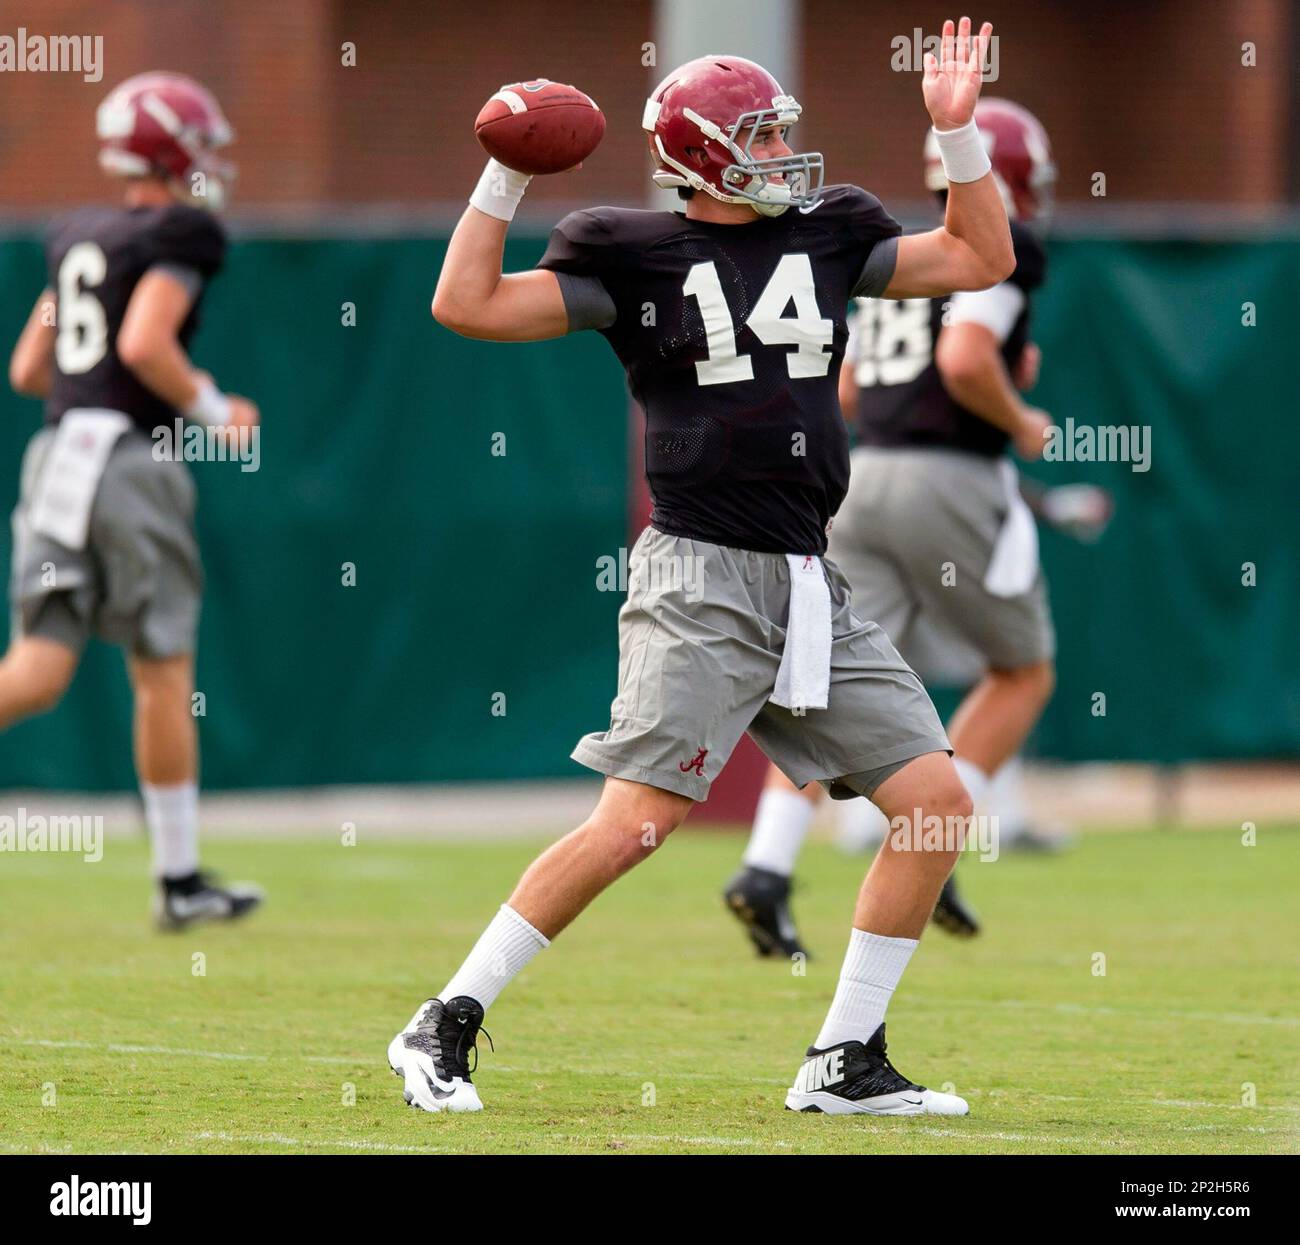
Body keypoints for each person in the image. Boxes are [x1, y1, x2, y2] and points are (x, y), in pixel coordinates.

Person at [392, 20, 1012, 1116]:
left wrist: (957, 138)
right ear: (701, 156)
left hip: (807, 576)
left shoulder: (829, 236)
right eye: (760, 137)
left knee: (931, 805)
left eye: (779, 133)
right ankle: (443, 1020)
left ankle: (844, 1060)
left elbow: (977, 257)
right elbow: (467, 305)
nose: (781, 152)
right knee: (635, 822)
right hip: (700, 575)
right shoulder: (627, 252)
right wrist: (501, 172)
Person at [726, 98, 1061, 957]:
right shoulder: (1001, 245)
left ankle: (766, 865)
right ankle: (934, 847)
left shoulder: (898, 248)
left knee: (818, 679)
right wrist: (1020, 420)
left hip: (864, 474)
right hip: (946, 477)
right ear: (1015, 173)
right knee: (1022, 671)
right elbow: (962, 357)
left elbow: (847, 389)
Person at [3, 72, 262, 930]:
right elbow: (144, 340)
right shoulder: (181, 230)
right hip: (127, 462)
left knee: (36, 672)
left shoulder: (78, 231)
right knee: (161, 671)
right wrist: (213, 406)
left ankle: (183, 881)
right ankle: (179, 878)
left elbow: (30, 371)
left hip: (55, 459)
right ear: (174, 146)